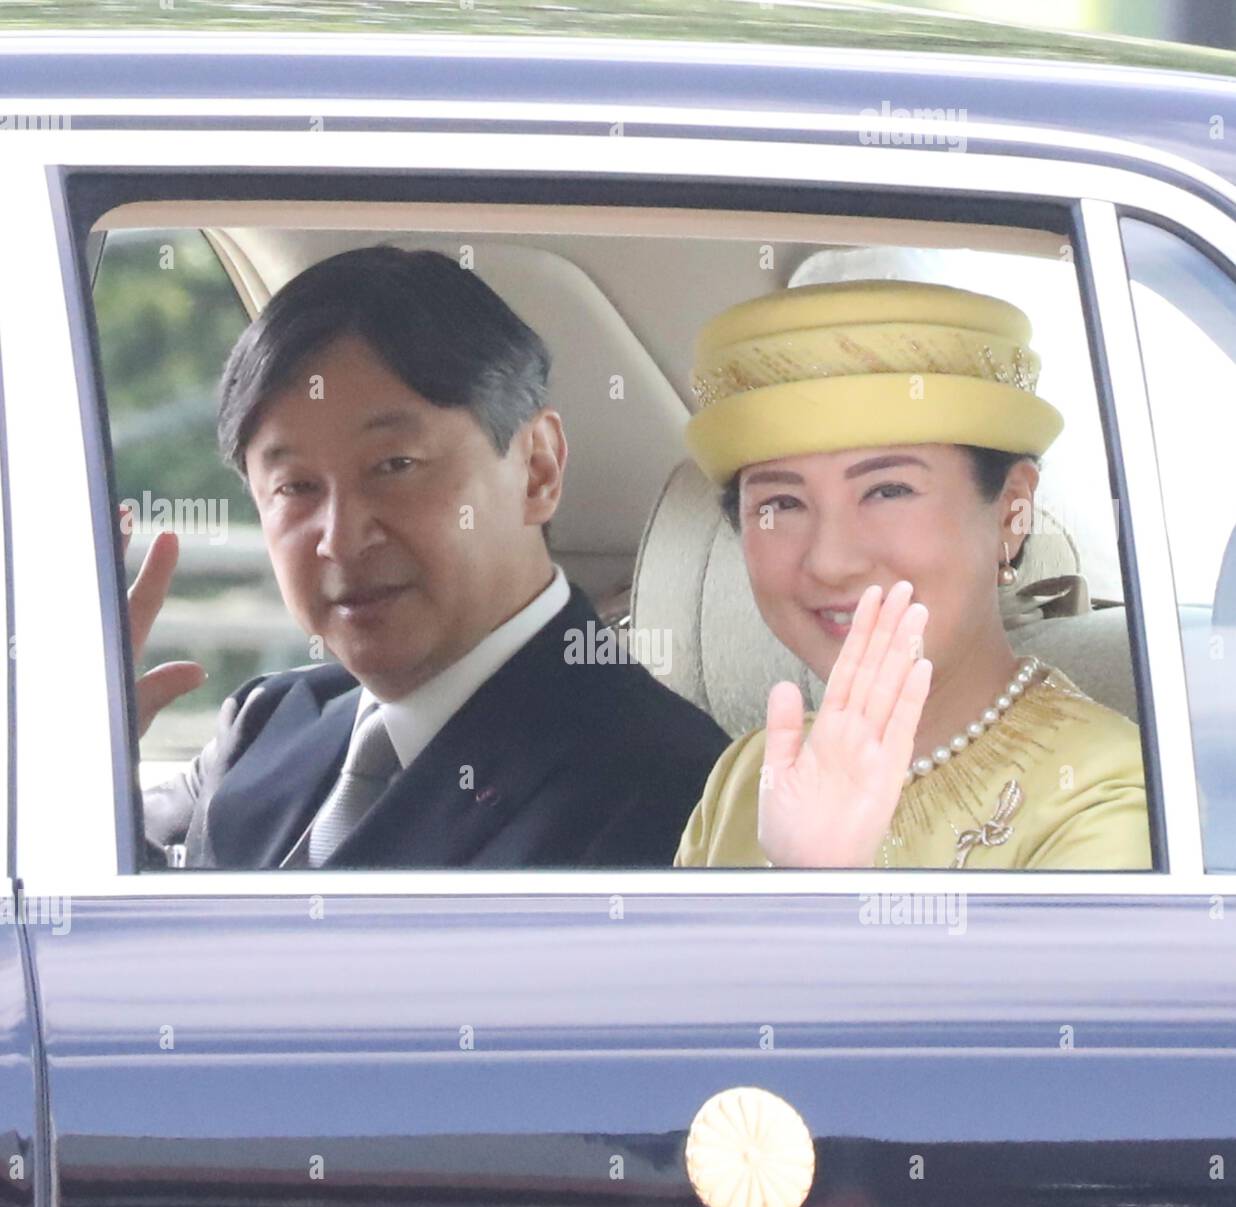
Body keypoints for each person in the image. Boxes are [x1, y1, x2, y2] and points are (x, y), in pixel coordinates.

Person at [135, 245, 729, 870]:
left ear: (537, 468)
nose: (340, 538)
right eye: (295, 488)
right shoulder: (265, 724)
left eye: (395, 466)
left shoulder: (670, 796)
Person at [673, 278, 1151, 870]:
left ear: (1010, 511)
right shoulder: (748, 776)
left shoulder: (1104, 796)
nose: (831, 560)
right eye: (784, 503)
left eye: (888, 490)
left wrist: (820, 877)